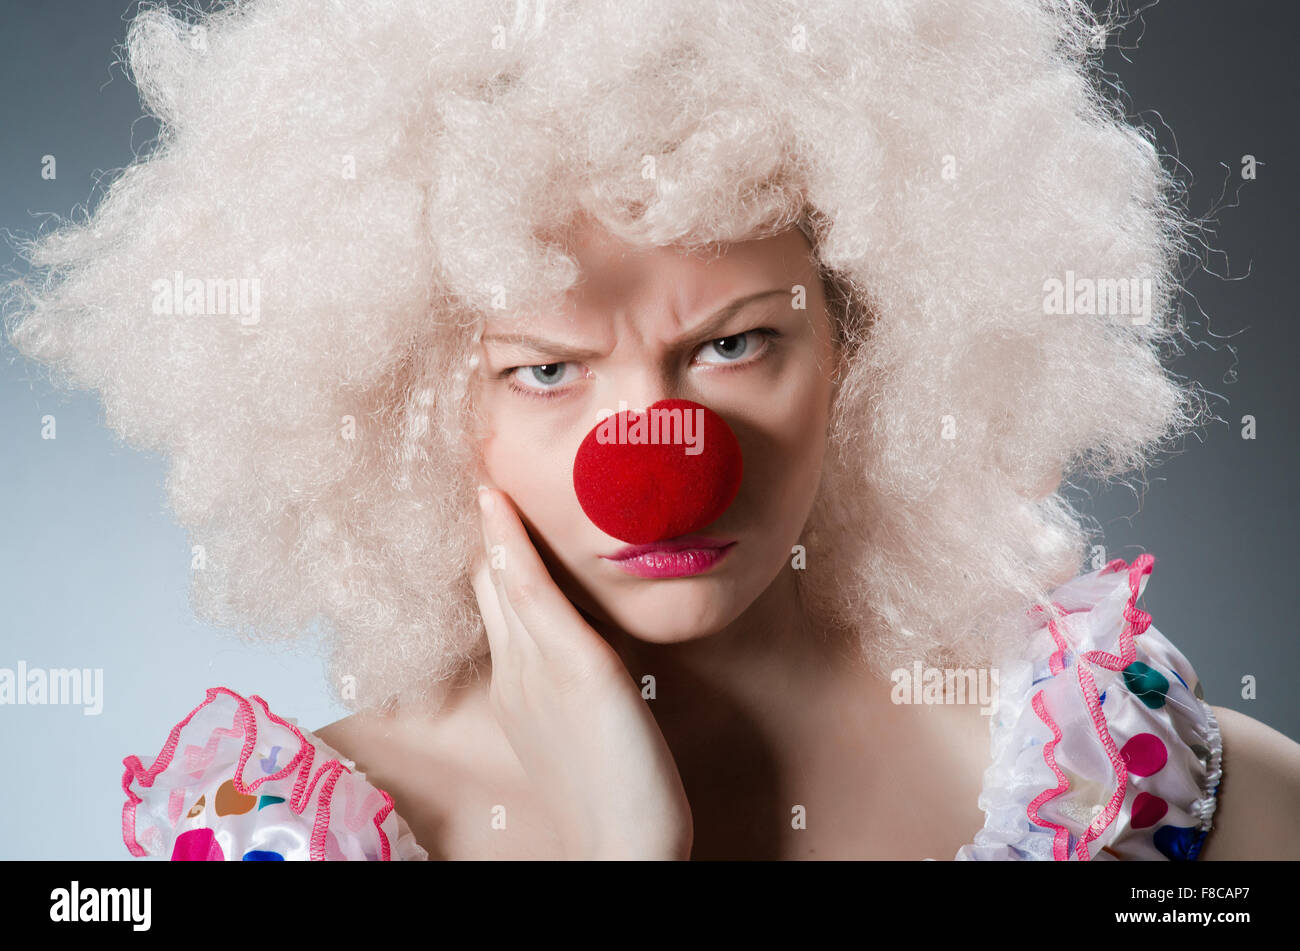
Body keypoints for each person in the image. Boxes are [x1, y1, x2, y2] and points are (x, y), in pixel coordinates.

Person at [8, 0, 1300, 860]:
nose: (662, 462)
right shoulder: (286, 841)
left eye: (734, 342)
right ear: (400, 399)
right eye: (545, 369)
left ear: (867, 345)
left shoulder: (1145, 790)